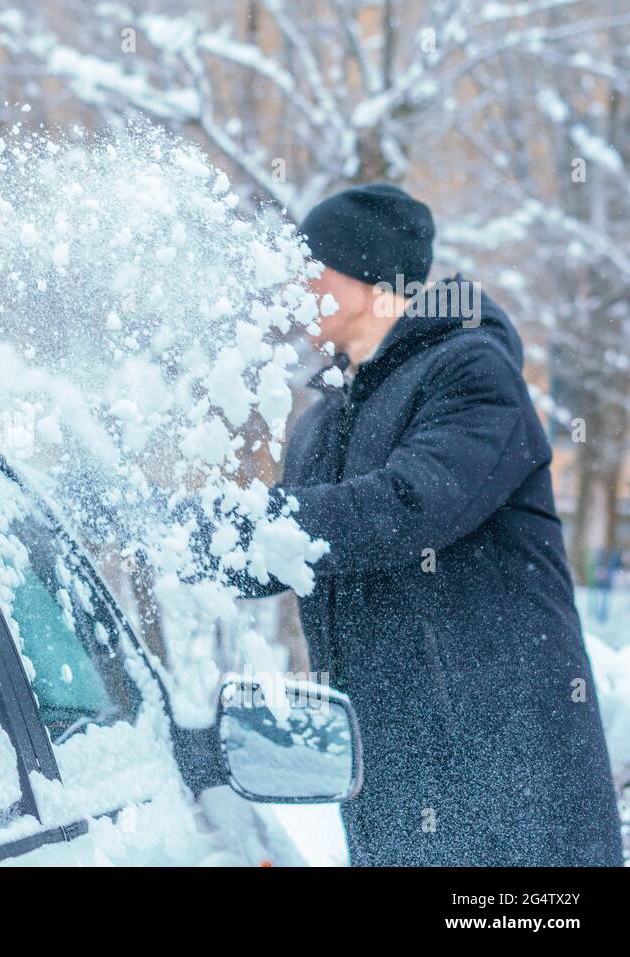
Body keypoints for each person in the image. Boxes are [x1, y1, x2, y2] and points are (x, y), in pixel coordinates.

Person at [207, 183, 622, 865]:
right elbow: (286, 550)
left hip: (507, 785)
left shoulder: (470, 373)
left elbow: (406, 505)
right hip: (389, 780)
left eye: (314, 268)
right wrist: (159, 535)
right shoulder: (319, 423)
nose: (295, 284)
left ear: (370, 277)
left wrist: (232, 525)